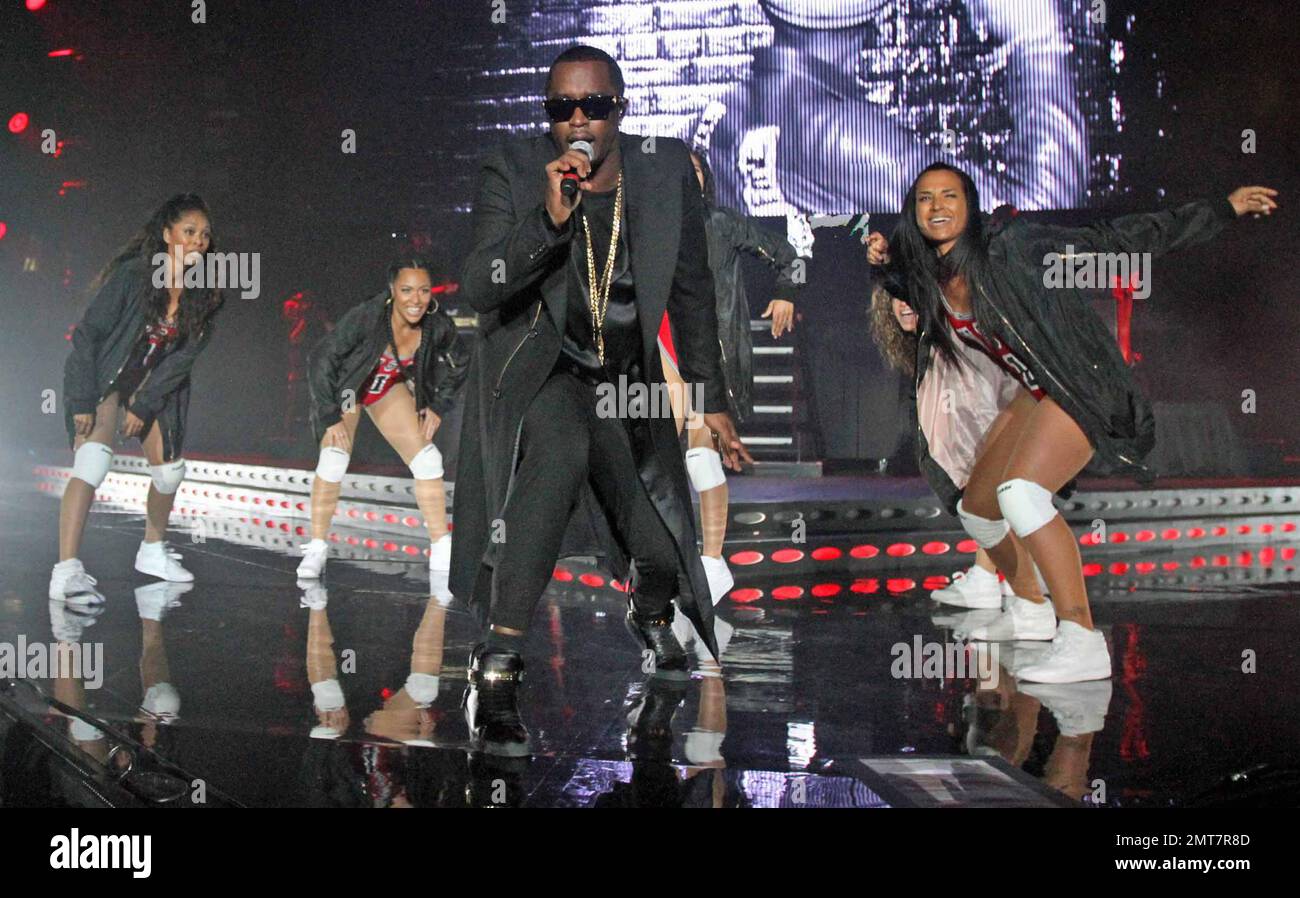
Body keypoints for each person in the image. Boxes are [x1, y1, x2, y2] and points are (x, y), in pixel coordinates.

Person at [451, 45, 752, 757]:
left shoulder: (665, 168)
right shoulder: (516, 170)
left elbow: (692, 289)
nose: (577, 120)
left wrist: (711, 398)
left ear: (622, 107)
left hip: (626, 381)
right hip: (543, 369)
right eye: (561, 108)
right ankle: (496, 669)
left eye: (594, 105)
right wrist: (547, 220)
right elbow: (479, 286)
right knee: (556, 451)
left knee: (659, 548)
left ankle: (649, 614)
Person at [868, 162, 1278, 682]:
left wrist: (1223, 208)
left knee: (1020, 493)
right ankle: (1032, 608)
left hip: (1081, 385)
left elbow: (1113, 237)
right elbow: (904, 284)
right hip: (1036, 394)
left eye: (950, 195)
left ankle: (1082, 638)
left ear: (970, 206)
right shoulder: (934, 277)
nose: (938, 207)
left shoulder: (1012, 246)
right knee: (977, 507)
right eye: (925, 198)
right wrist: (881, 264)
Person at [51, 194, 223, 602]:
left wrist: (145, 405)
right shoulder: (133, 277)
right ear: (167, 235)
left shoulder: (207, 295)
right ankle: (66, 572)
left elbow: (181, 362)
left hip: (153, 391)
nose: (199, 241)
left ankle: (152, 551)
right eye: (189, 232)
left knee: (170, 472)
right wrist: (80, 400)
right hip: (106, 384)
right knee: (92, 463)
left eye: (204, 235)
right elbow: (87, 336)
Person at [657, 148, 801, 608]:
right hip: (655, 347)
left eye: (695, 172)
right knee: (658, 452)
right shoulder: (644, 227)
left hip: (706, 352)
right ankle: (660, 564)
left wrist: (784, 293)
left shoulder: (720, 224)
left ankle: (713, 563)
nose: (687, 180)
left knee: (699, 458)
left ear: (706, 181)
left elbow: (787, 254)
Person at [868, 282, 1047, 627]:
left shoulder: (959, 337)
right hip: (1004, 427)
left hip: (1014, 423)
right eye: (896, 297)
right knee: (988, 490)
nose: (904, 305)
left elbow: (983, 417)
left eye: (911, 294)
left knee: (988, 488)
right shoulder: (932, 344)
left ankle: (998, 577)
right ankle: (1012, 578)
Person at [299, 259, 468, 580]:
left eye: (423, 290)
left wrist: (437, 406)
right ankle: (317, 546)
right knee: (333, 459)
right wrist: (329, 415)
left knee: (429, 461)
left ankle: (442, 545)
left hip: (384, 388)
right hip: (346, 389)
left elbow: (462, 360)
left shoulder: (436, 322)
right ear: (392, 291)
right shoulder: (368, 315)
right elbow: (321, 357)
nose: (416, 300)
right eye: (406, 290)